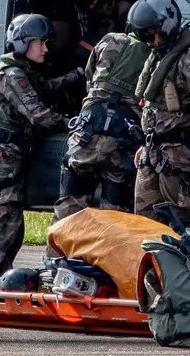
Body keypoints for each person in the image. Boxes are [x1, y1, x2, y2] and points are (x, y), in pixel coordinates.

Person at [0, 15, 71, 286]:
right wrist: (75, 124)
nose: (45, 49)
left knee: (12, 226)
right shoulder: (12, 75)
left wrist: (77, 75)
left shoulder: (23, 71)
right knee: (3, 223)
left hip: (9, 154)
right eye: (40, 43)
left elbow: (46, 89)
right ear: (23, 44)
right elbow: (38, 115)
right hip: (2, 157)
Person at [127, 0, 190, 229]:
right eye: (145, 34)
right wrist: (146, 144)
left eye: (152, 32)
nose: (151, 39)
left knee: (183, 220)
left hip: (180, 155)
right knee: (144, 222)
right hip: (153, 152)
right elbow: (154, 104)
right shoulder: (159, 55)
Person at [54, 28, 149, 218]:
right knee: (115, 218)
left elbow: (90, 74)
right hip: (122, 143)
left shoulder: (109, 39)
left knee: (69, 211)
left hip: (86, 136)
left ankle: (60, 248)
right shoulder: (154, 54)